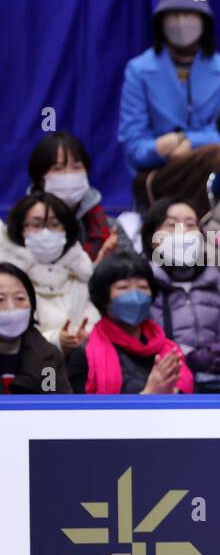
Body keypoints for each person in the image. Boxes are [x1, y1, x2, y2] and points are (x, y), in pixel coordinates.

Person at [118, 0, 220, 217]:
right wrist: (159, 148)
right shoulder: (139, 70)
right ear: (160, 22)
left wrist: (187, 142)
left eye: (190, 15)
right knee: (216, 156)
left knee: (219, 157)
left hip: (209, 167)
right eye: (174, 15)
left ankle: (199, 233)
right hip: (158, 172)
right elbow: (132, 143)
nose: (182, 23)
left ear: (204, 21)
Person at [141, 198, 220, 391]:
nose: (182, 231)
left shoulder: (216, 281)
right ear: (151, 238)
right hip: (167, 384)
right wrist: (187, 356)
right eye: (171, 224)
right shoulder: (142, 283)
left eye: (190, 224)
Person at [66, 251, 194, 394]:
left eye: (143, 287)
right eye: (123, 287)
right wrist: (149, 395)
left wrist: (174, 394)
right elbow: (78, 413)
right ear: (103, 297)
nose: (135, 296)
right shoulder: (85, 354)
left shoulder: (169, 350)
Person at [0, 193, 97, 352]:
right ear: (20, 229)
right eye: (36, 225)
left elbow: (92, 318)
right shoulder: (7, 277)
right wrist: (55, 340)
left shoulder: (79, 271)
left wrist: (88, 336)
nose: (46, 233)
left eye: (54, 224)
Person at [26, 133, 117, 262]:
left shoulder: (109, 227)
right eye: (58, 169)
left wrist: (104, 266)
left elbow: (131, 273)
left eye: (76, 167)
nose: (68, 175)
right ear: (41, 179)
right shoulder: (23, 227)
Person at [0, 263, 71, 394]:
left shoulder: (48, 357)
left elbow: (57, 407)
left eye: (20, 298)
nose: (11, 307)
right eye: (0, 299)